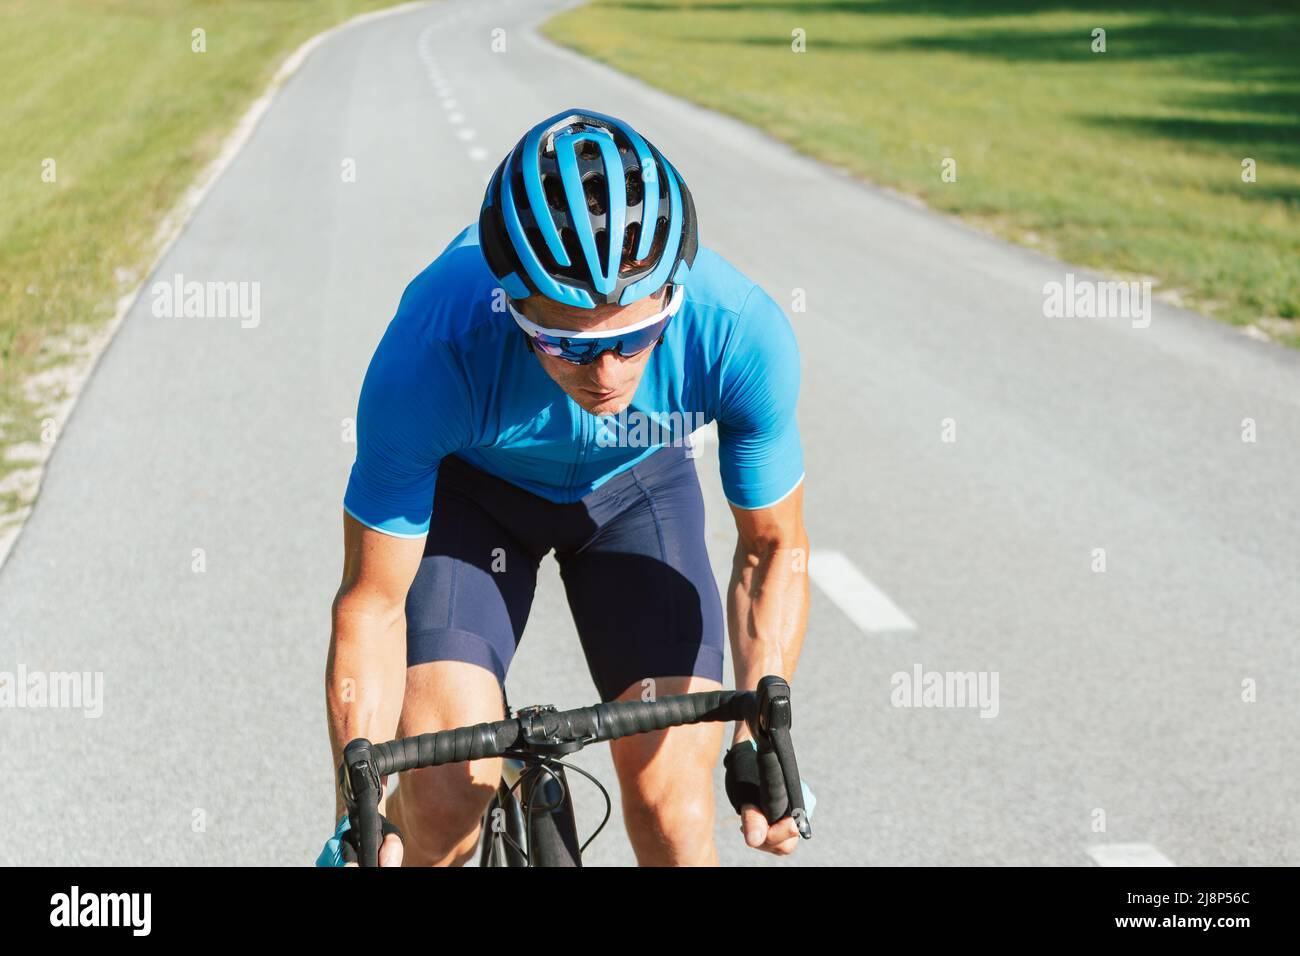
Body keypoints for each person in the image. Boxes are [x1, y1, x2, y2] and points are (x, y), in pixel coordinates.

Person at [323, 108, 809, 866]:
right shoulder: (431, 352)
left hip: (636, 493)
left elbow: (771, 547)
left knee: (675, 815)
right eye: (566, 343)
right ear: (512, 303)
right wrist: (358, 799)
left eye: (633, 338)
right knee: (444, 797)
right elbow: (373, 604)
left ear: (674, 293)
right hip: (474, 499)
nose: (608, 375)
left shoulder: (738, 332)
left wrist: (759, 734)